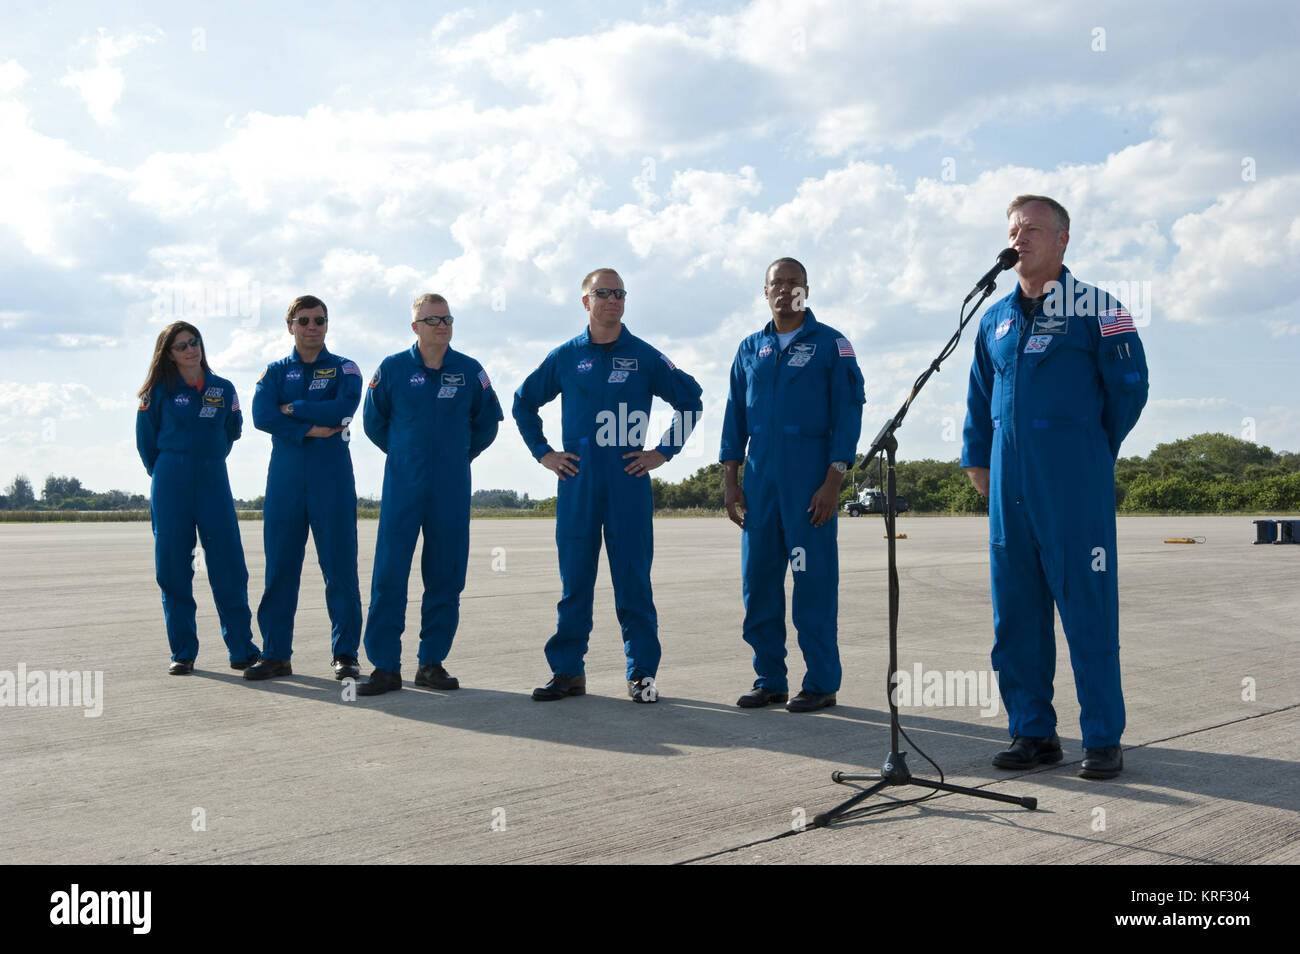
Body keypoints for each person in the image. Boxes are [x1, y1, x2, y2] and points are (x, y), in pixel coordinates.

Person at [961, 195, 1148, 779]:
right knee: (1015, 616)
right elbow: (978, 400)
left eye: (1033, 229)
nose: (1020, 239)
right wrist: (978, 460)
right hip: (1007, 492)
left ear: (1063, 239)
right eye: (1014, 229)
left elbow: (1130, 388)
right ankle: (1034, 733)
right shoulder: (992, 318)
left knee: (1087, 610)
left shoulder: (1101, 307)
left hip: (1072, 486)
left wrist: (1088, 450)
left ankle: (1101, 738)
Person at [513, 267, 704, 703]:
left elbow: (690, 400)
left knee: (634, 581)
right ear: (585, 301)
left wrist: (663, 452)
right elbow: (523, 401)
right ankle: (567, 672)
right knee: (574, 583)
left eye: (620, 293)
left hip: (628, 482)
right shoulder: (565, 357)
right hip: (577, 482)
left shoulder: (645, 356)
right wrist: (544, 453)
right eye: (603, 293)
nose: (613, 300)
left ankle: (642, 675)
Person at [719, 258, 865, 712]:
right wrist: (731, 480)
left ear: (807, 290)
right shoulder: (749, 349)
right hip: (761, 484)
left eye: (794, 283)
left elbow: (848, 414)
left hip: (810, 483)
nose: (785, 291)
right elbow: (734, 418)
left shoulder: (831, 345)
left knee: (813, 583)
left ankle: (820, 682)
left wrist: (833, 480)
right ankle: (770, 679)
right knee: (759, 583)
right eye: (776, 284)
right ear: (765, 293)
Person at [355, 293, 503, 696]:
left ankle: (431, 663)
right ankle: (385, 667)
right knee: (389, 574)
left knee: (446, 574)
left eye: (447, 319)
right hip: (403, 484)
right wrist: (406, 453)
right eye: (433, 319)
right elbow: (373, 422)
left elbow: (487, 423)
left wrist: (456, 456)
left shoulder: (470, 371)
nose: (442, 326)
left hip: (451, 487)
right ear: (415, 326)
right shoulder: (392, 369)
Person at [245, 295, 363, 682]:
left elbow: (342, 411)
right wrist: (309, 428)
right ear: (290, 326)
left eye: (320, 320)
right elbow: (261, 416)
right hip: (286, 481)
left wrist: (292, 409)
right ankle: (276, 653)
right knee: (280, 569)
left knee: (340, 571)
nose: (313, 327)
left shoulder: (346, 368)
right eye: (305, 320)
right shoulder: (275, 371)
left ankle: (345, 654)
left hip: (332, 481)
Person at [136, 321, 260, 674]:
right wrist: (168, 470)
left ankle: (242, 649)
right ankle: (183, 652)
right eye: (182, 346)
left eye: (195, 342)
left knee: (229, 567)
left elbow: (232, 430)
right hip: (170, 482)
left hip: (213, 481)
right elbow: (146, 443)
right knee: (174, 569)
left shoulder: (223, 389)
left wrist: (208, 458)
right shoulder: (156, 392)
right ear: (169, 355)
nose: (191, 349)